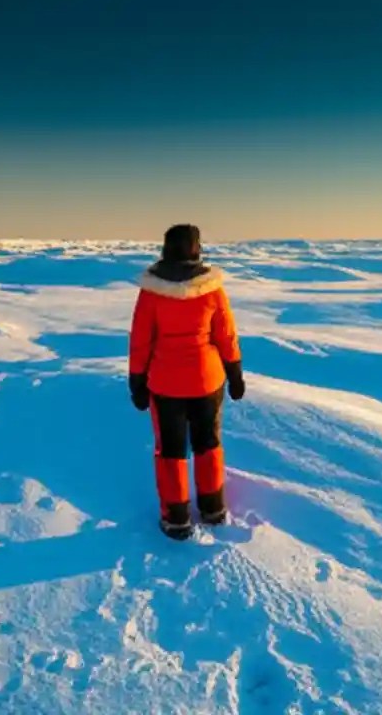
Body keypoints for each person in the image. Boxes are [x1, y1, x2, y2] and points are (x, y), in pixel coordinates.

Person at [128, 224, 245, 540]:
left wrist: (136, 380)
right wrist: (235, 373)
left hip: (165, 385)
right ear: (197, 249)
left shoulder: (151, 293)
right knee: (208, 444)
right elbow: (226, 335)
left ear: (165, 249)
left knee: (171, 451)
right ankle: (213, 508)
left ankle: (176, 518)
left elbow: (141, 340)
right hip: (207, 382)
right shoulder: (211, 289)